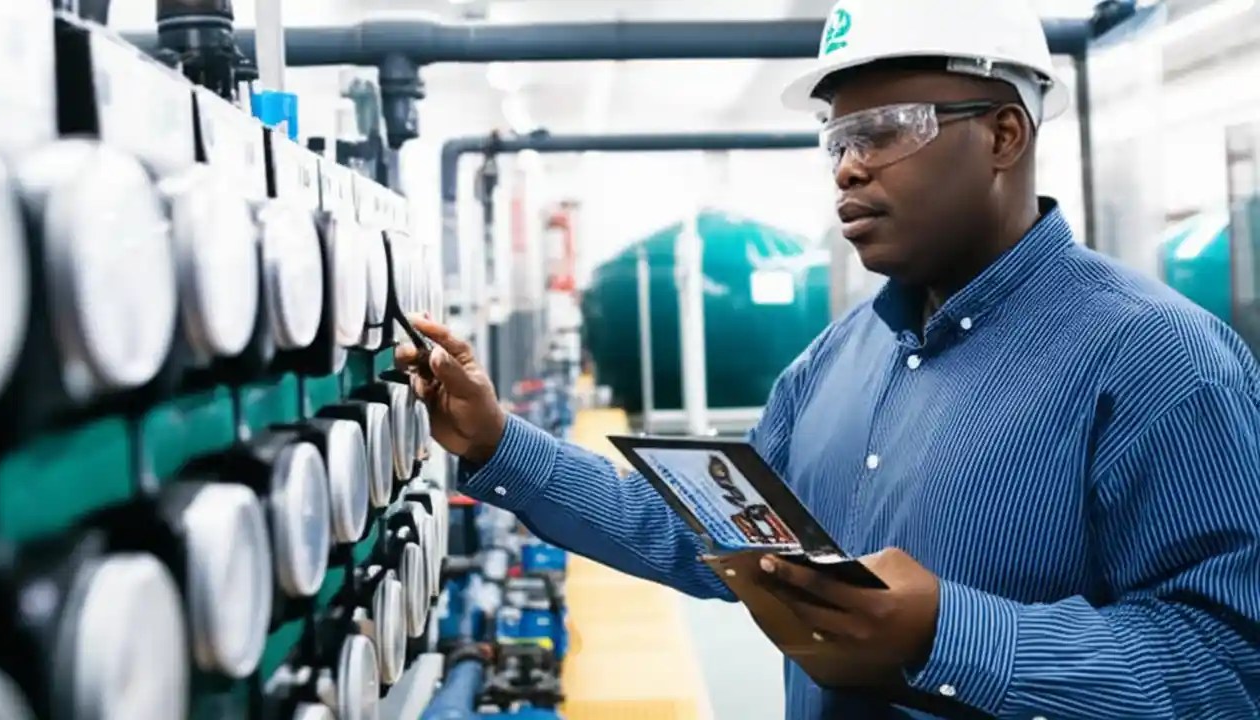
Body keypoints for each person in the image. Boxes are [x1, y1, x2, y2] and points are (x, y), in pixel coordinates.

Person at [398, 0, 1260, 717]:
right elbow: (704, 537)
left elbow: (1226, 663)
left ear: (1004, 135)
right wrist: (496, 442)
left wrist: (947, 636)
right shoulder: (832, 361)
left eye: (885, 131)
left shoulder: (1159, 359)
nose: (846, 169)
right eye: (837, 139)